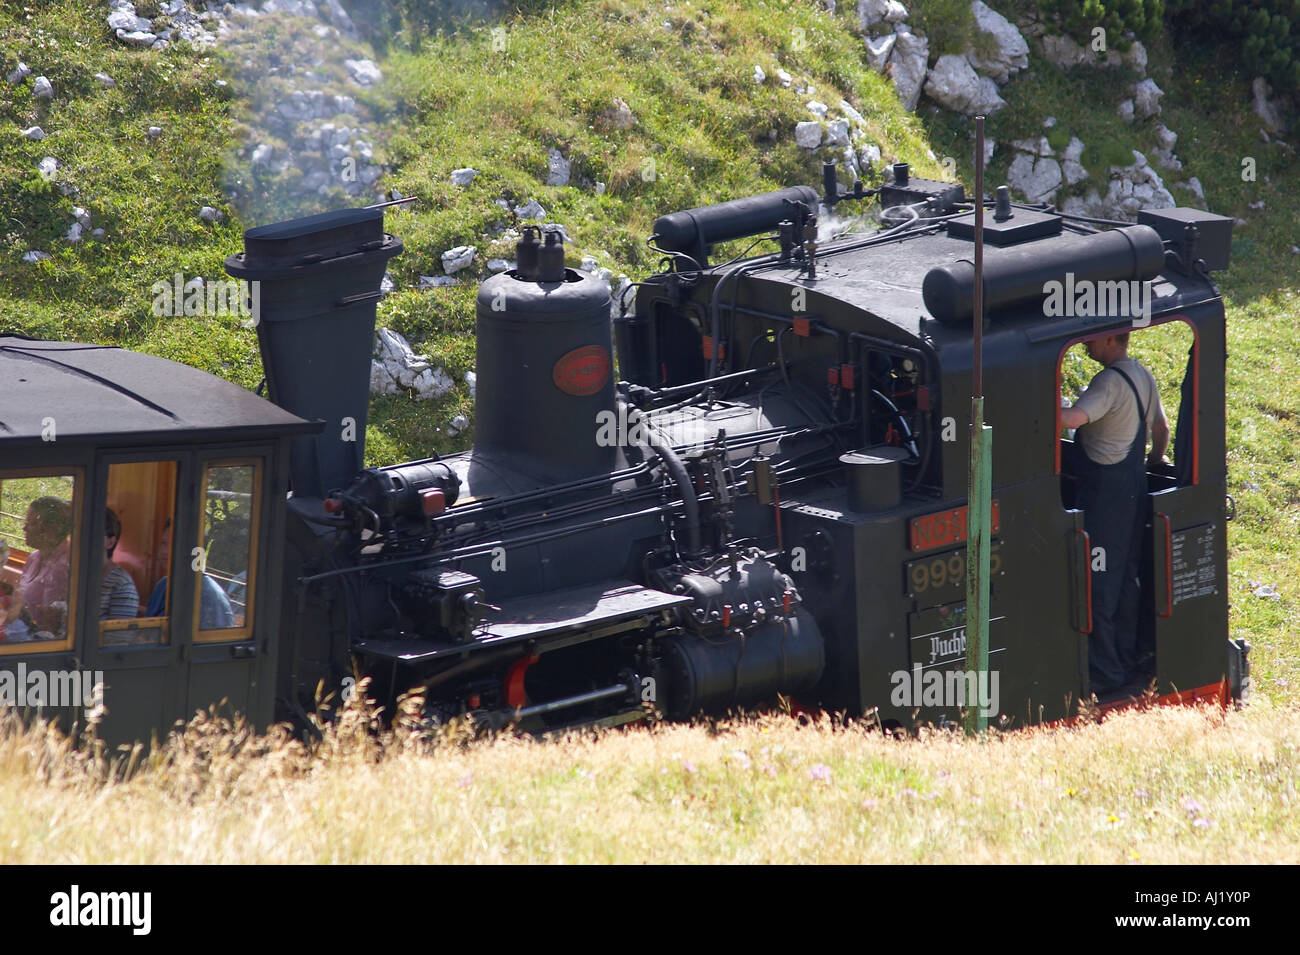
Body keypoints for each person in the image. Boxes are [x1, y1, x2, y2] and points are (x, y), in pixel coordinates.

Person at [1061, 332, 1170, 701]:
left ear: (1110, 338)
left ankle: (1104, 673)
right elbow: (1161, 431)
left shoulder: (1108, 382)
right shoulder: (1142, 374)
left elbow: (1072, 419)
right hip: (1133, 489)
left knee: (1099, 585)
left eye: (1092, 339)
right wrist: (1154, 461)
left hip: (1105, 496)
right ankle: (1125, 660)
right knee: (1126, 580)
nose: (1086, 345)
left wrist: (1032, 403)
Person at [144, 518, 235, 630]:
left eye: (174, 545)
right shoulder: (163, 585)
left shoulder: (208, 597)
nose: (165, 551)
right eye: (164, 544)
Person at [5, 497, 74, 639]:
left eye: (30, 524)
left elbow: (50, 623)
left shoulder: (64, 566)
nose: (24, 528)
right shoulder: (34, 557)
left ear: (50, 529)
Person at [101, 507, 139, 619]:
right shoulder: (72, 575)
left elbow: (119, 636)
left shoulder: (122, 584)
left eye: (91, 534)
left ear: (110, 542)